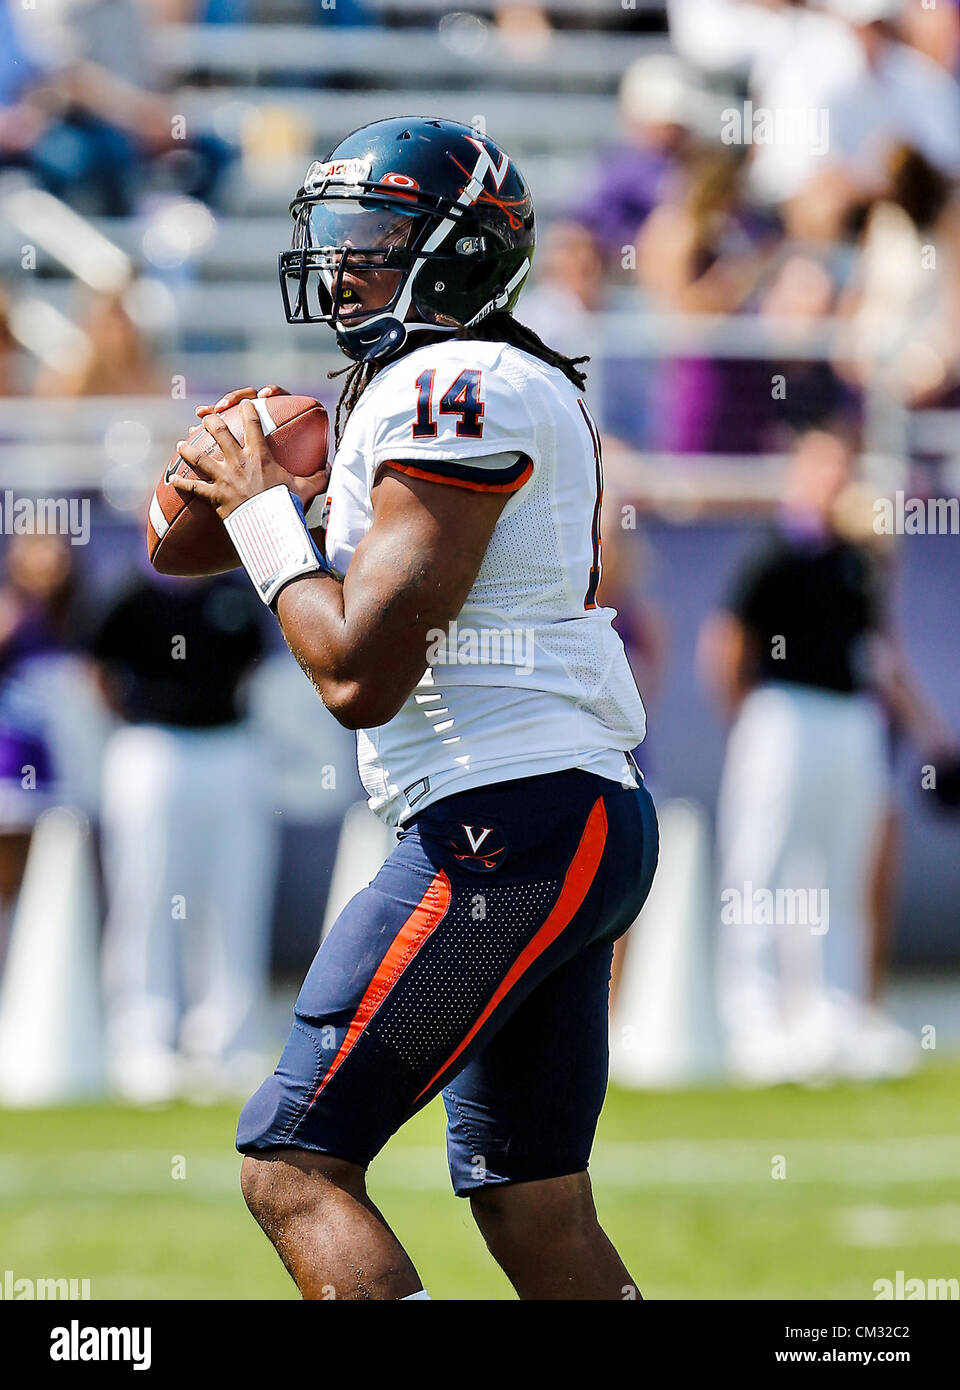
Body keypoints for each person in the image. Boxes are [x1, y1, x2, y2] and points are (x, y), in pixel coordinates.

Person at [169, 117, 658, 1300]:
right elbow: (183, 559)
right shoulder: (427, 387)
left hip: (509, 824)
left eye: (375, 241)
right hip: (557, 815)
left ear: (462, 255)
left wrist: (259, 515)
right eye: (335, 239)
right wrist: (253, 496)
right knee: (531, 1203)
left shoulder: (462, 383)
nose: (341, 266)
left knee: (293, 1164)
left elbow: (355, 674)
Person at [698, 425, 926, 1082]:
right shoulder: (772, 553)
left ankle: (837, 1011)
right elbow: (726, 647)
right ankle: (757, 1016)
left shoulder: (860, 559)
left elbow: (882, 648)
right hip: (784, 713)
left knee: (839, 868)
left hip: (849, 717)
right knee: (764, 865)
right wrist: (749, 720)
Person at [92, 571, 275, 1102]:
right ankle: (143, 1041)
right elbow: (99, 672)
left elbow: (253, 668)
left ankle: (230, 1041)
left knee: (236, 896)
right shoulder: (132, 598)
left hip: (230, 746)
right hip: (154, 746)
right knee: (146, 894)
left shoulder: (235, 598)